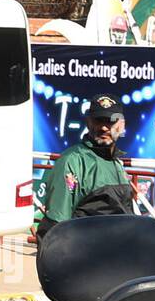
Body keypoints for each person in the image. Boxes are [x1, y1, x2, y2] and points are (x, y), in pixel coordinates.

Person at [35, 93, 134, 241]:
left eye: (110, 121)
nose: (104, 127)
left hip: (119, 256)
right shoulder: (72, 161)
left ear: (122, 125)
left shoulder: (117, 163)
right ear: (88, 122)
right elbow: (55, 228)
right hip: (86, 256)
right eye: (98, 120)